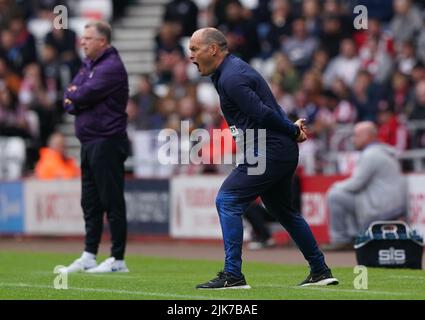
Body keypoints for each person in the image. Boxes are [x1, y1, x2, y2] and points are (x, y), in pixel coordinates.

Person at [189, 27, 338, 289]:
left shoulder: (231, 77)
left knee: (228, 199)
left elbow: (261, 113)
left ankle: (233, 275)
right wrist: (290, 130)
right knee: (283, 211)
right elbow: (267, 109)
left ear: (212, 49)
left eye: (194, 49)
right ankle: (320, 270)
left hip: (267, 149)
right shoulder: (229, 72)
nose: (190, 56)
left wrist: (292, 130)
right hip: (275, 149)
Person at [59, 21, 130, 273]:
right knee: (90, 202)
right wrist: (74, 97)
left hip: (107, 141)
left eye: (88, 38)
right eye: (83, 37)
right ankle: (89, 254)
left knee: (111, 200)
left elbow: (79, 95)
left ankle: (117, 259)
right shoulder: (90, 65)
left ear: (103, 41)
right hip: (89, 142)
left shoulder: (110, 67)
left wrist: (75, 97)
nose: (83, 42)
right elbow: (68, 96)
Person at [325, 121, 407, 251]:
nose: (353, 139)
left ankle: (340, 240)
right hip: (393, 206)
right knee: (350, 196)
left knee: (335, 195)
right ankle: (354, 236)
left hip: (381, 208)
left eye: (356, 135)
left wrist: (335, 185)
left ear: (368, 136)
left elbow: (356, 184)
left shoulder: (371, 154)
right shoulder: (382, 150)